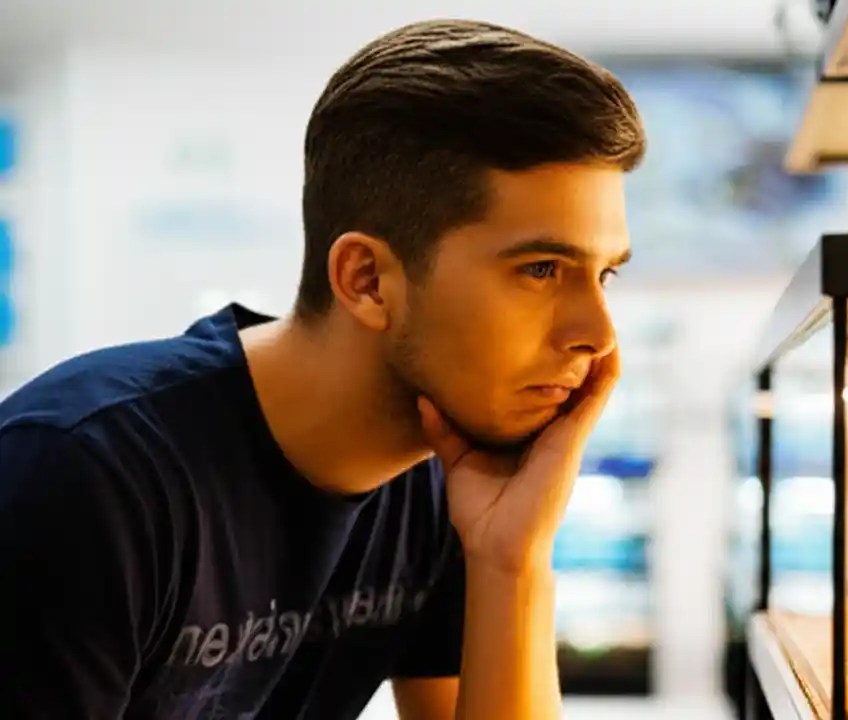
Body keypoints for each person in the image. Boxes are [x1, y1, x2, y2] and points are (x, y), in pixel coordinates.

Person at [0, 18, 644, 719]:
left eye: (605, 275)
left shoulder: (446, 482)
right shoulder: (82, 476)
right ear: (366, 279)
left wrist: (512, 561)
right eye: (542, 269)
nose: (599, 334)